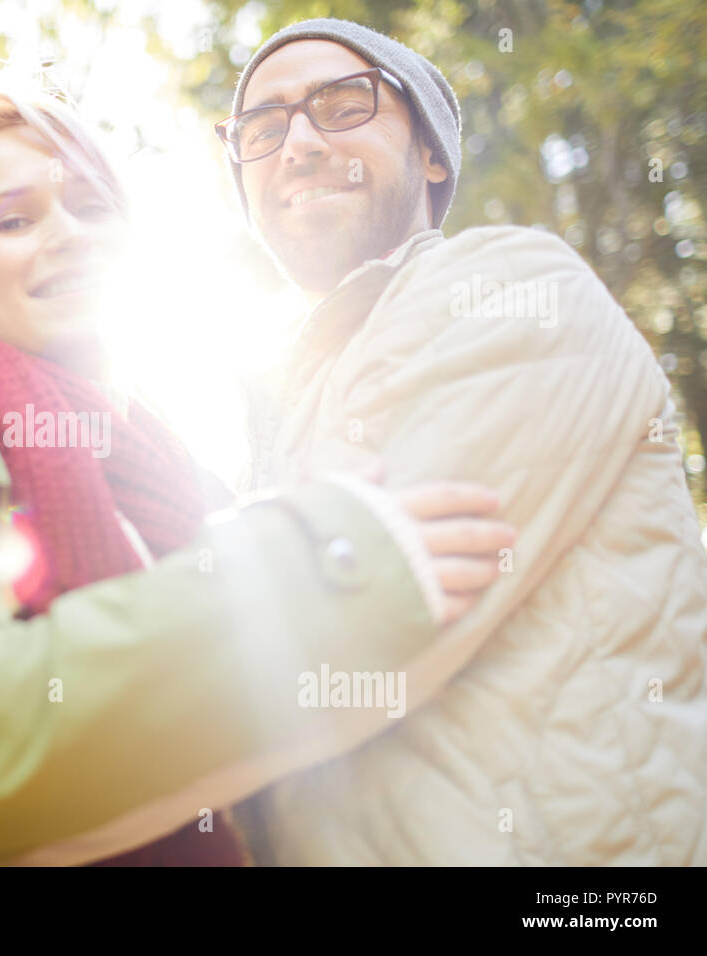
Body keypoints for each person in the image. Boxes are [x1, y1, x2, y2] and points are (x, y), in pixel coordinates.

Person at [0, 70, 515, 865]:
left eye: (92, 209)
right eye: (14, 220)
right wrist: (313, 576)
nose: (69, 234)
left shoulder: (196, 485)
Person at [212, 18, 707, 864]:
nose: (296, 140)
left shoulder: (514, 290)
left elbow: (342, 609)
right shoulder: (276, 411)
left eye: (341, 102)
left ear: (432, 153)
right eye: (262, 128)